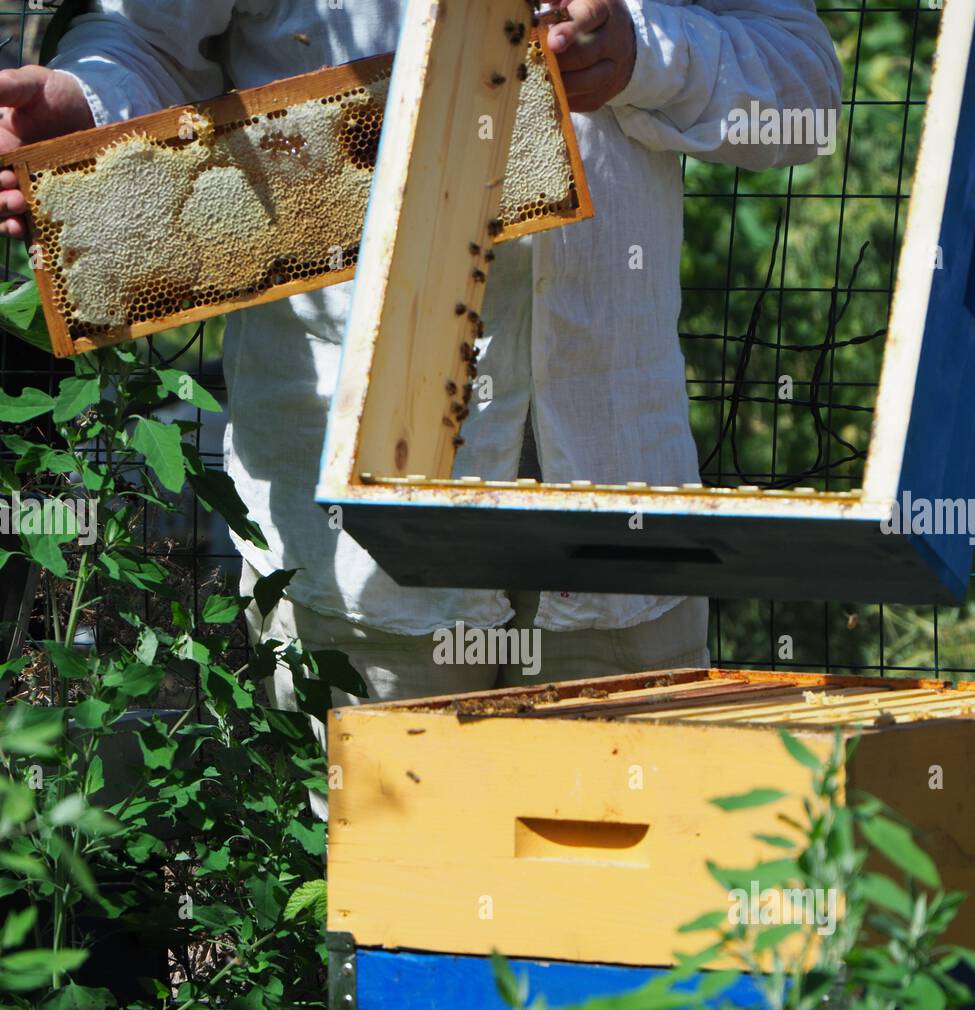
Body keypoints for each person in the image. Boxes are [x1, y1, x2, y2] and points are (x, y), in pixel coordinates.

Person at [0, 0, 841, 711]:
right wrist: (92, 106)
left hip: (624, 503)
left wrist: (645, 51)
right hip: (359, 526)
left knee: (626, 883)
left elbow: (805, 87)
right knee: (390, 883)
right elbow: (140, 38)